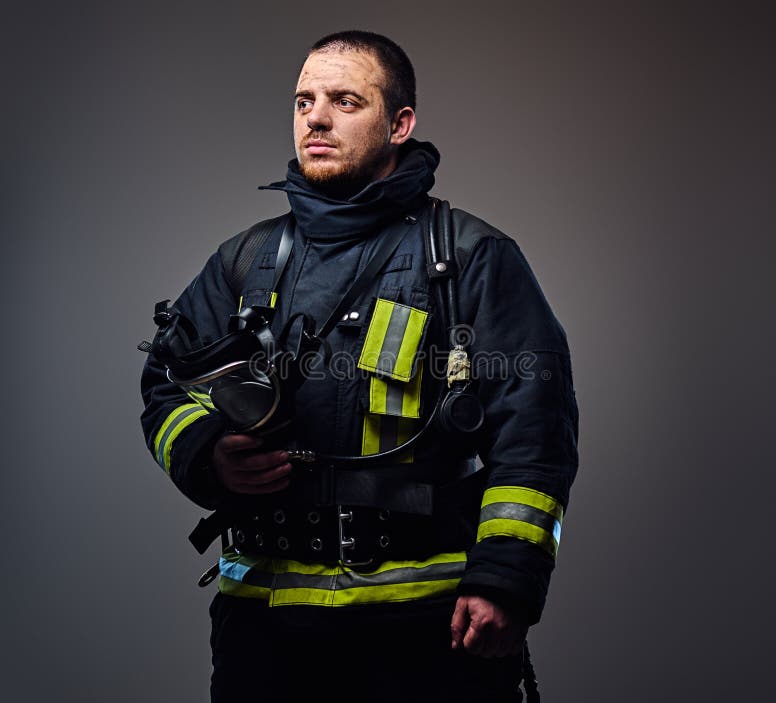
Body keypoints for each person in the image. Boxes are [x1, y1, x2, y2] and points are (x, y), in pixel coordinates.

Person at [140, 30, 579, 703]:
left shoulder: (470, 257)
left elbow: (535, 435)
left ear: (399, 125)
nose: (315, 118)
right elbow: (167, 385)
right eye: (304, 101)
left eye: (345, 101)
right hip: (264, 634)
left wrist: (505, 580)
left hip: (426, 635)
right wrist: (208, 452)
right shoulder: (244, 261)